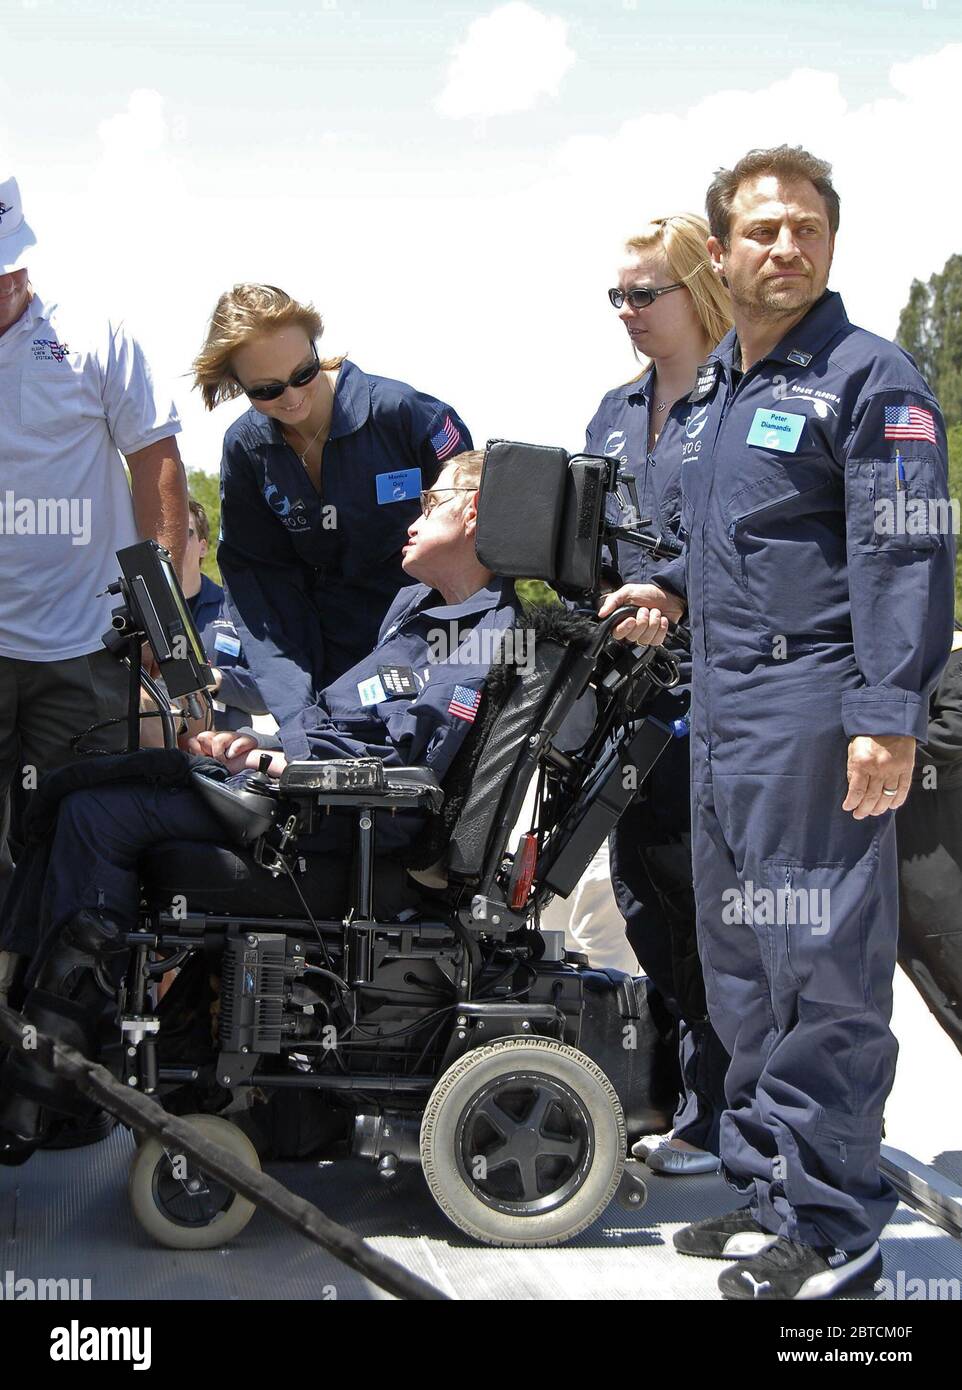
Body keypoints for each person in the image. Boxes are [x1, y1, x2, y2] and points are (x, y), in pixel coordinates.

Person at [605, 146, 955, 1299]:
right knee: (741, 956)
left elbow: (901, 552)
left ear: (829, 243)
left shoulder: (870, 379)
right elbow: (733, 548)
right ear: (719, 251)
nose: (783, 246)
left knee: (821, 963)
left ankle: (834, 1208)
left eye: (804, 227)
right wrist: (670, 591)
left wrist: (885, 714)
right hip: (719, 712)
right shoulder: (717, 394)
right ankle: (767, 1179)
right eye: (759, 229)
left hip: (816, 709)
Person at [0, 451, 520, 1160]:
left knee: (99, 813)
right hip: (298, 795)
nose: (414, 512)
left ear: (476, 513)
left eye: (431, 499)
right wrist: (251, 745)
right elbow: (342, 717)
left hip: (338, 829)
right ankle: (33, 1026)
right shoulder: (418, 611)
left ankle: (46, 1083)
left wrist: (287, 768)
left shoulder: (490, 636)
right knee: (75, 793)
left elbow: (411, 773)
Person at [0, 173, 188, 924]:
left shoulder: (93, 337)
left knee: (77, 846)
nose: (7, 283)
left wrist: (163, 626)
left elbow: (156, 459)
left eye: (9, 268)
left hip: (83, 646)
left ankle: (62, 1020)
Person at [589, 214, 733, 1174]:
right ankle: (696, 1102)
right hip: (633, 700)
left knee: (726, 912)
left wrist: (675, 593)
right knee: (647, 900)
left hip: (727, 691)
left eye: (647, 293)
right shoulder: (609, 410)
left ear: (697, 289)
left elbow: (761, 537)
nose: (630, 312)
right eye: (619, 296)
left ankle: (730, 1117)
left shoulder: (746, 399)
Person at [192, 283, 474, 761]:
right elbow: (260, 590)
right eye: (266, 390)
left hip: (428, 647)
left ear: (316, 346)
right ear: (237, 385)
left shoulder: (405, 416)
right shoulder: (245, 448)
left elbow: (478, 535)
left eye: (303, 373)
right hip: (328, 656)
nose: (292, 399)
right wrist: (298, 718)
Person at [896, 623, 962, 1055]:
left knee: (951, 955)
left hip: (937, 841)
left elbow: (952, 737)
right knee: (930, 972)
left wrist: (885, 757)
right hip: (895, 844)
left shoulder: (953, 652)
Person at [182, 498, 269, 732]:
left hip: (225, 758)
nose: (176, 540)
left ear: (203, 546)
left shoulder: (236, 610)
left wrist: (220, 680)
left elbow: (270, 691)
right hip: (157, 752)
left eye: (185, 532)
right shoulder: (141, 610)